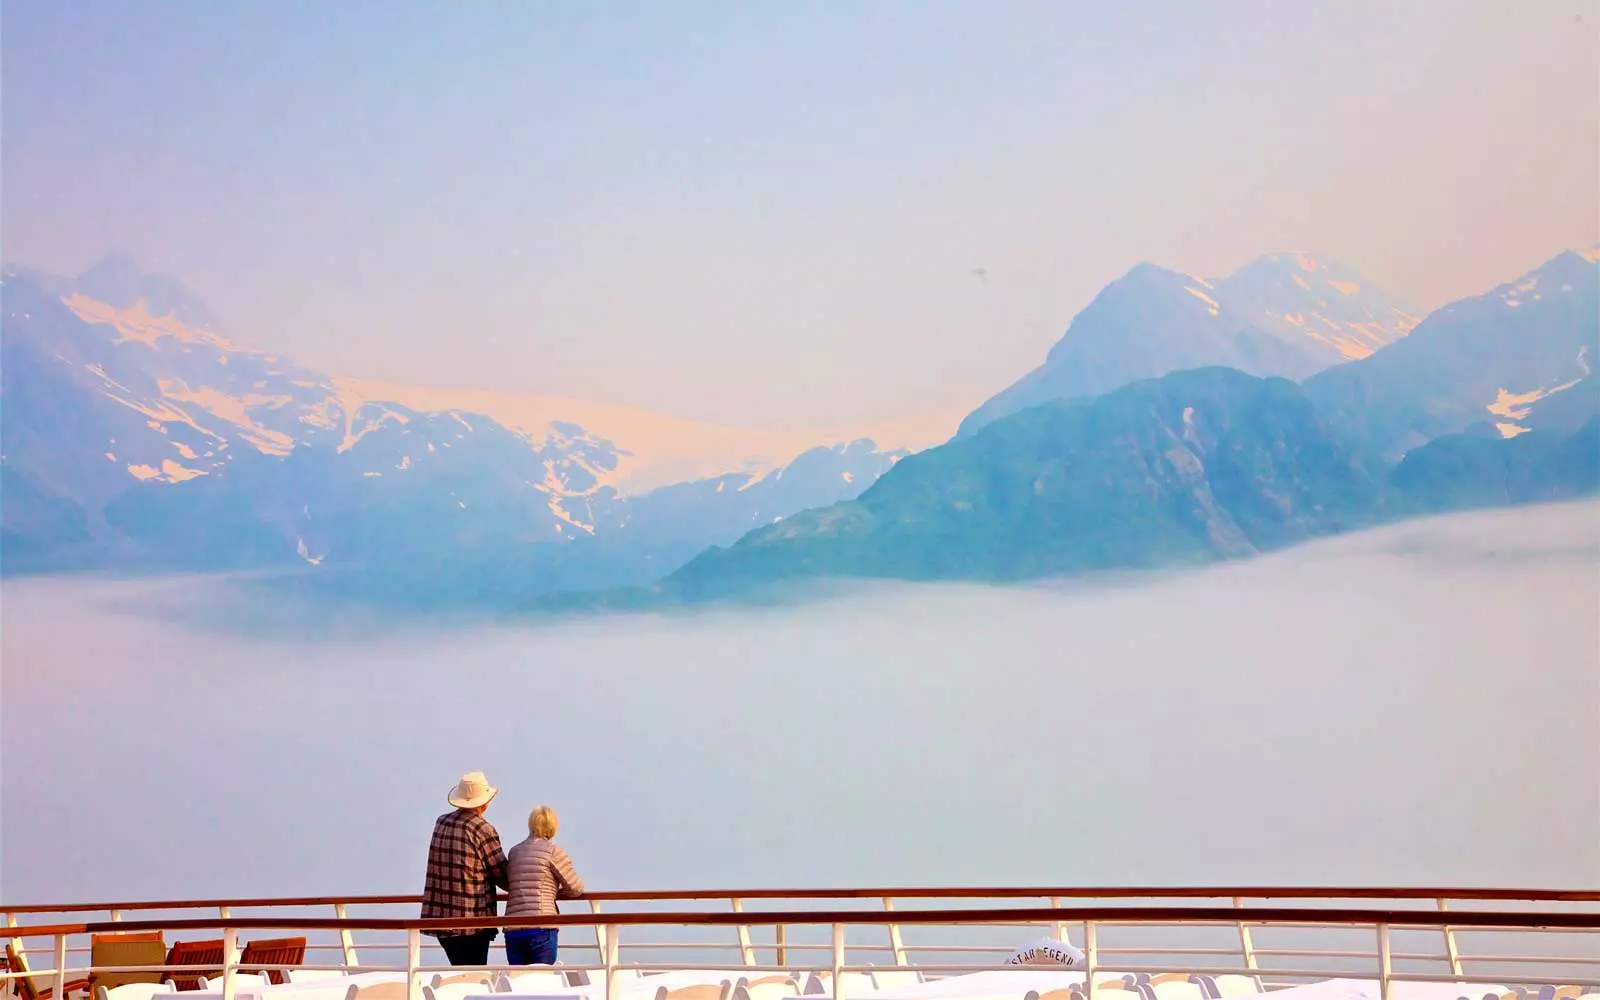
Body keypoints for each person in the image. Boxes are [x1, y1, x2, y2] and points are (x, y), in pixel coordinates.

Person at [421, 771, 510, 966]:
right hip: (472, 920)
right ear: (484, 802)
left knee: (460, 972)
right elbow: (502, 875)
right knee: (474, 976)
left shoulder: (441, 822)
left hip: (441, 918)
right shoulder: (481, 828)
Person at [504, 804, 586, 966]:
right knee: (542, 981)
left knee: (518, 982)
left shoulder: (515, 852)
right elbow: (575, 888)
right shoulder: (553, 851)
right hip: (541, 926)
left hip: (513, 928)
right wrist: (556, 888)